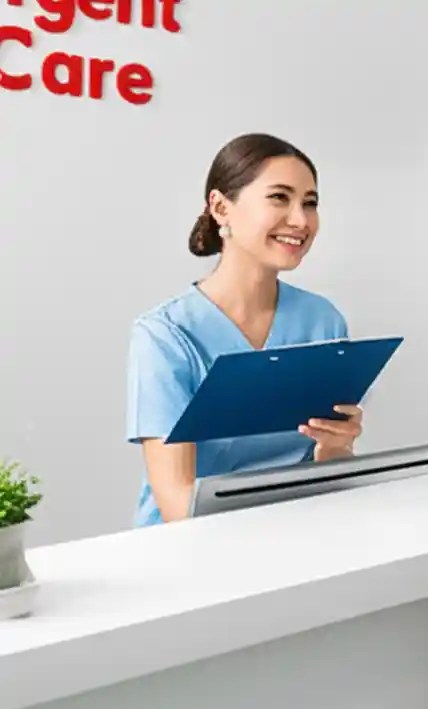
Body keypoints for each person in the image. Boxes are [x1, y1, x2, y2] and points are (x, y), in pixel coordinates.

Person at [126, 133, 364, 527]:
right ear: (220, 207)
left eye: (310, 203)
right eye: (279, 198)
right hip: (189, 552)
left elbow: (328, 472)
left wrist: (338, 449)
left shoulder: (324, 320)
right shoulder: (166, 334)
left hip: (299, 535)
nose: (301, 220)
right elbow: (176, 503)